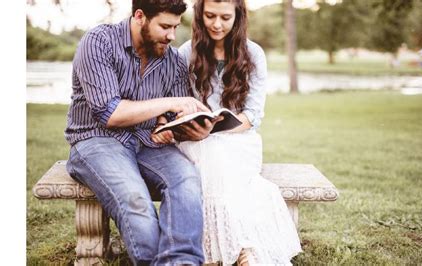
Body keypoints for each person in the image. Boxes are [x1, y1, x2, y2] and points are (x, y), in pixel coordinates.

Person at [64, 0, 218, 264]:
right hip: (96, 140)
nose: (172, 35)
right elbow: (109, 113)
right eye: (165, 26)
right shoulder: (99, 41)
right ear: (139, 16)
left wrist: (191, 129)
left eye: (175, 27)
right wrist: (169, 104)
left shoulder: (172, 61)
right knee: (135, 200)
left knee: (186, 179)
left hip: (149, 142)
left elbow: (172, 116)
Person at [152, 0, 302, 264]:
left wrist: (221, 127)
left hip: (240, 140)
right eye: (210, 16)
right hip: (195, 140)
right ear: (200, 15)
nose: (217, 24)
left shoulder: (253, 54)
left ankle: (219, 252)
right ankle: (242, 250)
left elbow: (254, 114)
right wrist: (185, 122)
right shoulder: (186, 52)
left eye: (225, 17)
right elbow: (176, 102)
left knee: (220, 155)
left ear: (238, 17)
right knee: (213, 155)